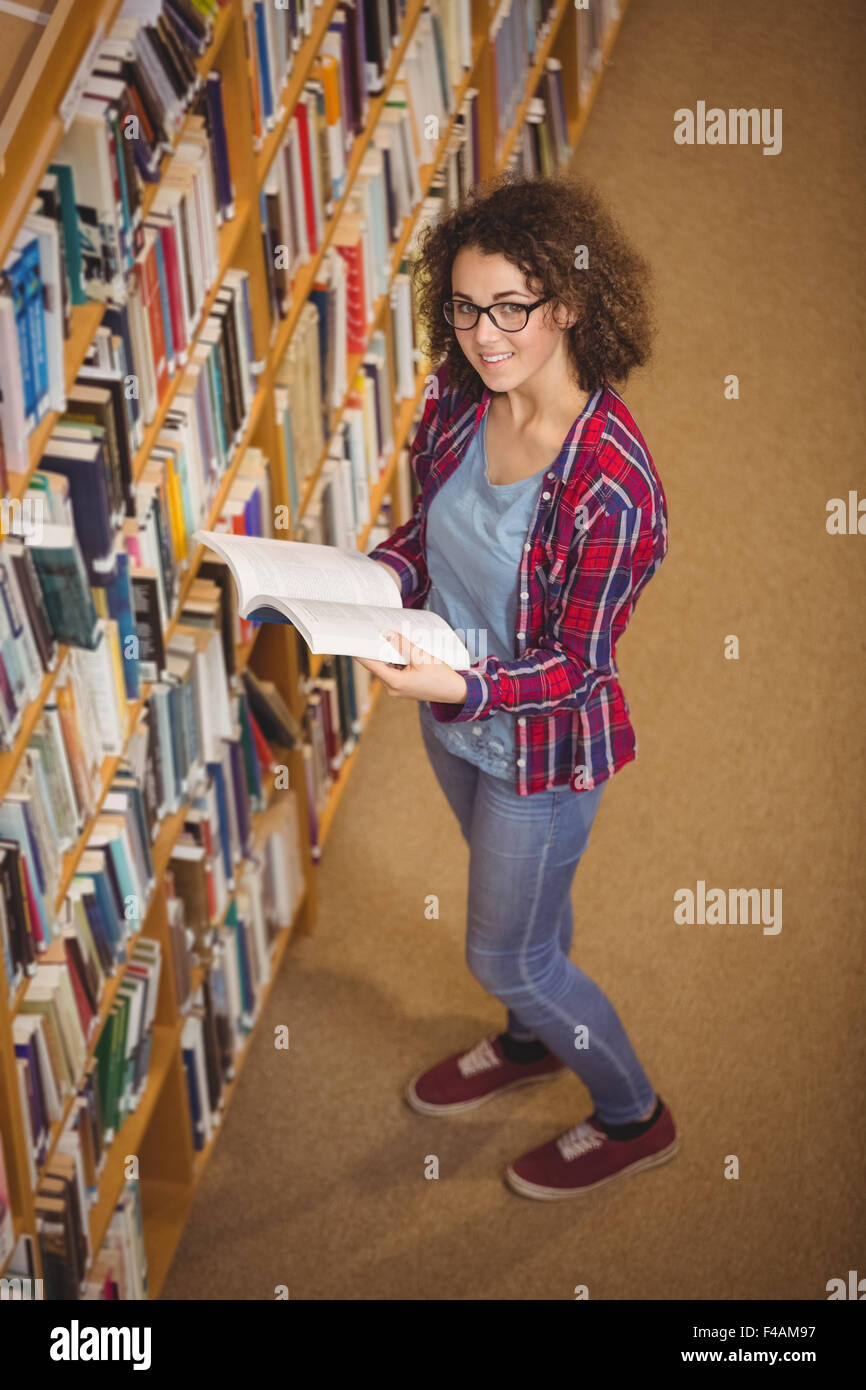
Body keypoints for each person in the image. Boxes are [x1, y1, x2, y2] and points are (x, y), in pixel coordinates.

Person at [358, 169, 677, 1201]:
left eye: (511, 308)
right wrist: (374, 577)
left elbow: (575, 667)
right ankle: (528, 1042)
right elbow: (427, 537)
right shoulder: (458, 398)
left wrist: (455, 682)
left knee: (511, 955)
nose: (483, 335)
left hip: (540, 749)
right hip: (452, 718)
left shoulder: (612, 484)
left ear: (569, 305)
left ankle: (632, 1114)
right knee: (527, 926)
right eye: (463, 307)